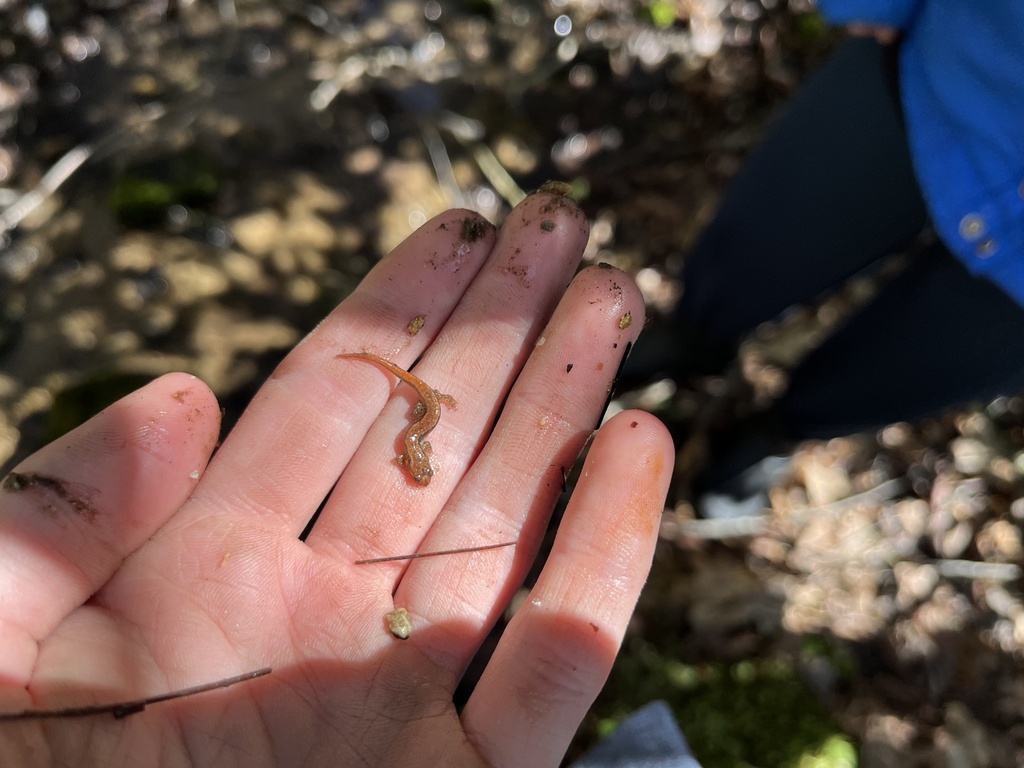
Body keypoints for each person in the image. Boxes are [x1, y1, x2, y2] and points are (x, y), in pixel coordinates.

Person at [0, 189, 677, 767]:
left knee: (425, 404)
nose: (415, 467)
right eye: (416, 464)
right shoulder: (415, 438)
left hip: (427, 407)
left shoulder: (420, 436)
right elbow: (418, 434)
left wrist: (421, 421)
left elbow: (422, 431)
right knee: (418, 401)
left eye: (417, 464)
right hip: (423, 407)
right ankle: (389, 363)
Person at [636, 1, 1024, 515]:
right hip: (960, 63)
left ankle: (783, 430)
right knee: (763, 242)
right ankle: (692, 332)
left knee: (900, 373)